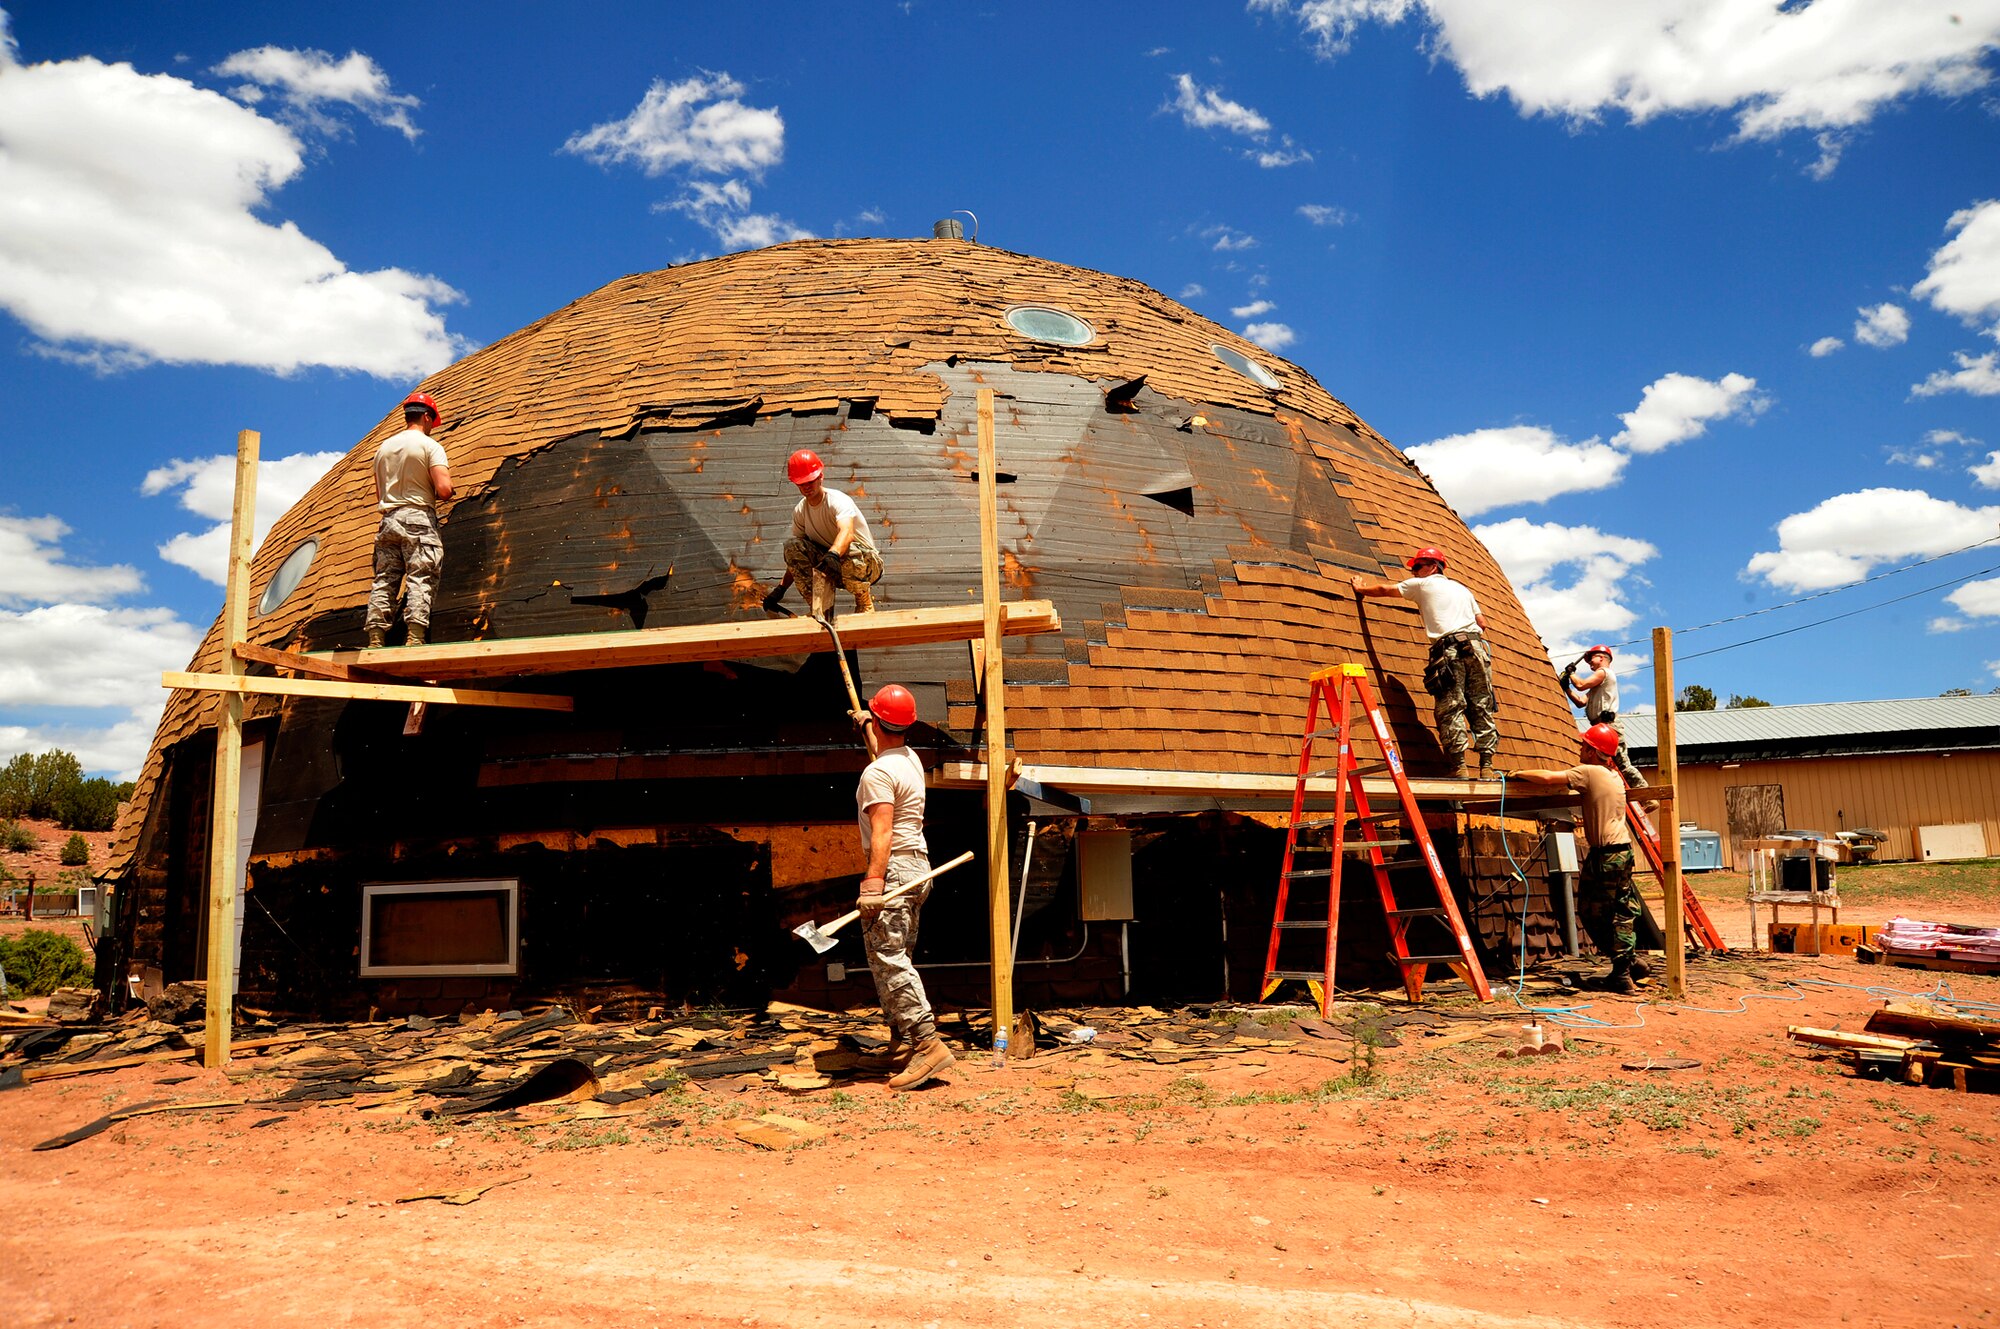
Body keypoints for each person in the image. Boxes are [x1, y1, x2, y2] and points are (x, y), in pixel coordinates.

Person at [853, 683, 954, 1090]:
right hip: (918, 868)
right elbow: (886, 756)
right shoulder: (909, 760)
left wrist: (873, 882)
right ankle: (901, 1044)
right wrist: (869, 726)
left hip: (892, 869)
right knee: (896, 958)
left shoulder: (877, 773)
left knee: (889, 959)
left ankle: (928, 1045)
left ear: (878, 721)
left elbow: (882, 831)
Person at [1504, 724, 1653, 994]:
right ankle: (1627, 965)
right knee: (1620, 910)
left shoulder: (1590, 771)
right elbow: (1605, 809)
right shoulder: (1612, 775)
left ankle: (1623, 970)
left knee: (1592, 911)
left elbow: (1550, 779)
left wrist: (1515, 773)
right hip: (1622, 851)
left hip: (1606, 854)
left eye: (1584, 746)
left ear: (1594, 751)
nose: (1580, 749)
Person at [1353, 545, 1498, 777]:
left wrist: (1361, 589)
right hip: (1477, 649)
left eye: (1418, 567)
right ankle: (1487, 766)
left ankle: (1459, 766)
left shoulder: (1422, 585)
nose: (1414, 572)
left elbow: (1384, 589)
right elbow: (1482, 623)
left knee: (1451, 706)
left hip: (1450, 649)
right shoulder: (1462, 589)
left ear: (1433, 567)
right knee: (1481, 704)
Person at [364, 391, 452, 649]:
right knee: (420, 576)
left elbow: (380, 494)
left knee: (385, 579)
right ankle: (414, 637)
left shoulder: (383, 449)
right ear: (427, 417)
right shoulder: (430, 446)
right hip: (417, 519)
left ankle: (376, 639)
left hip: (388, 521)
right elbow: (444, 490)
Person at [762, 449, 881, 618]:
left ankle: (864, 602)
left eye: (810, 481)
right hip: (833, 567)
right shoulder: (800, 512)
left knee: (851, 550)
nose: (807, 487)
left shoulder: (837, 501)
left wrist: (833, 554)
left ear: (820, 477)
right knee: (793, 547)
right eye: (802, 483)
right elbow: (797, 557)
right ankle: (819, 610)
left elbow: (846, 532)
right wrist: (780, 589)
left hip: (866, 566)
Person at [1563, 644, 1646, 787]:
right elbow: (1581, 702)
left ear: (1601, 658)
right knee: (1604, 764)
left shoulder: (1604, 672)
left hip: (1609, 725)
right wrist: (1566, 688)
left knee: (1621, 761)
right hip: (1600, 727)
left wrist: (1571, 674)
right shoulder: (1598, 686)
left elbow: (1581, 684)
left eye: (1591, 660)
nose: (1589, 664)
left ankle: (1644, 792)